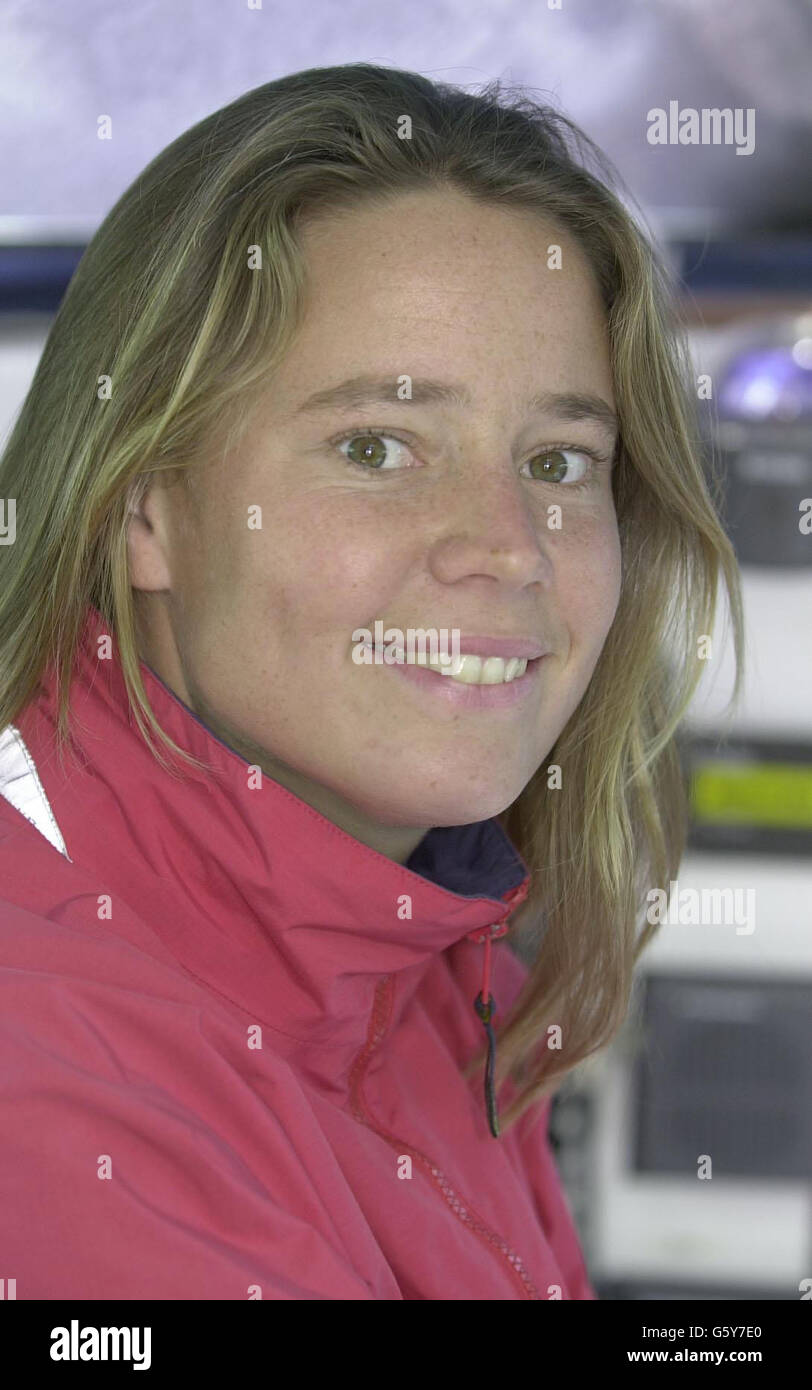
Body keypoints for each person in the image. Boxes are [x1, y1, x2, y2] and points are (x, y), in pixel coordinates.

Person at [0, 63, 743, 1300]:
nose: (506, 544)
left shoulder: (413, 959)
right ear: (143, 506)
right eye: (376, 448)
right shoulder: (49, 1077)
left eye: (559, 460)